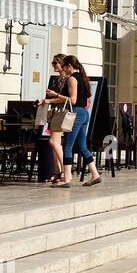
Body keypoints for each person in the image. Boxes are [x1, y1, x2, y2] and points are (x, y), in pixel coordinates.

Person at [52, 55, 102, 188]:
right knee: (82, 146)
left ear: (69, 66)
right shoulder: (83, 77)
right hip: (84, 113)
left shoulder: (72, 79)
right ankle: (95, 174)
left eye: (64, 67)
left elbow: (72, 100)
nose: (63, 69)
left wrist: (55, 95)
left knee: (67, 146)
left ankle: (66, 178)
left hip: (76, 113)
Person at [40, 55, 67, 184]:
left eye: (55, 63)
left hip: (62, 113)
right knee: (54, 145)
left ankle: (65, 172)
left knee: (53, 142)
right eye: (53, 63)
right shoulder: (56, 79)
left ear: (62, 64)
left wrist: (50, 98)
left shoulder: (67, 79)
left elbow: (66, 98)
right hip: (55, 112)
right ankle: (57, 172)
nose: (53, 65)